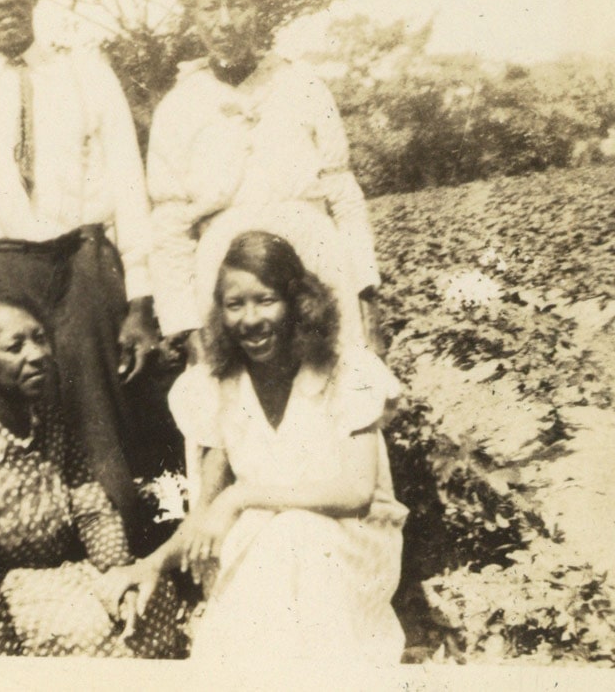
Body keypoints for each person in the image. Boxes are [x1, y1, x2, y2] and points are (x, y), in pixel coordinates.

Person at [0, 0, 178, 544]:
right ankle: (61, 568)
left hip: (85, 262)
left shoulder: (85, 69)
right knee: (30, 421)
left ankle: (146, 561)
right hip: (2, 271)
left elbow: (128, 185)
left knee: (115, 413)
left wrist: (139, 301)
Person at [105, 232, 408, 663]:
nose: (250, 319)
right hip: (265, 555)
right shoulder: (221, 386)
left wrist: (244, 495)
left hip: (349, 548)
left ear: (298, 303)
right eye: (235, 305)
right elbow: (205, 519)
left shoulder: (346, 370)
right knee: (275, 556)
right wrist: (150, 564)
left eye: (265, 300)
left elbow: (357, 493)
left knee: (294, 535)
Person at [0, 292, 184, 657]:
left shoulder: (49, 424)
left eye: (39, 338)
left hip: (41, 578)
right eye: (14, 347)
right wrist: (6, 663)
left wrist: (121, 577)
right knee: (90, 630)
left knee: (151, 598)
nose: (36, 354)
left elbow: (93, 512)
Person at [145, 0, 387, 363]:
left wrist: (367, 295)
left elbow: (343, 196)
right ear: (193, 15)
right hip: (229, 287)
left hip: (316, 267)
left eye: (237, 6)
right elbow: (169, 227)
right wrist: (185, 325)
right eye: (210, 8)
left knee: (334, 392)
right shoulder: (177, 107)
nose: (225, 22)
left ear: (258, 10)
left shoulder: (302, 85)